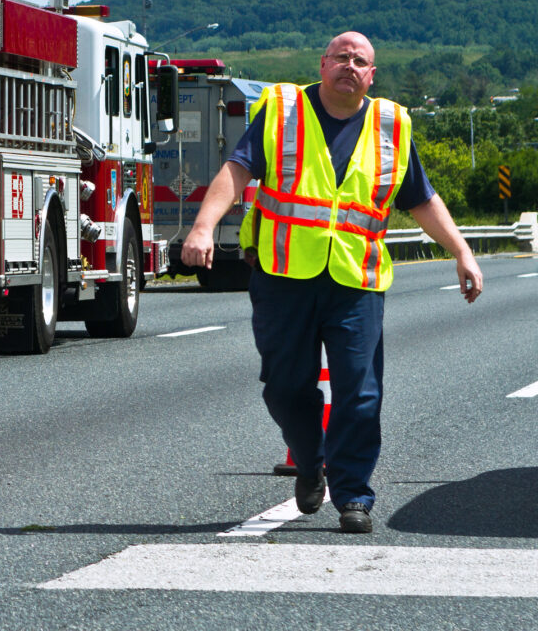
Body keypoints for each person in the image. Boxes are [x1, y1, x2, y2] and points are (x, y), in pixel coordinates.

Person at [180, 31, 482, 535]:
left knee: (360, 392)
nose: (348, 65)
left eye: (358, 60)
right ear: (322, 65)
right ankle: (309, 458)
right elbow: (236, 171)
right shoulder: (282, 110)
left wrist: (463, 252)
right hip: (284, 276)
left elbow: (422, 199)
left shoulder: (390, 125)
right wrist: (204, 226)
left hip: (355, 280)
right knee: (284, 387)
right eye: (340, 57)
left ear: (371, 74)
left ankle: (353, 495)